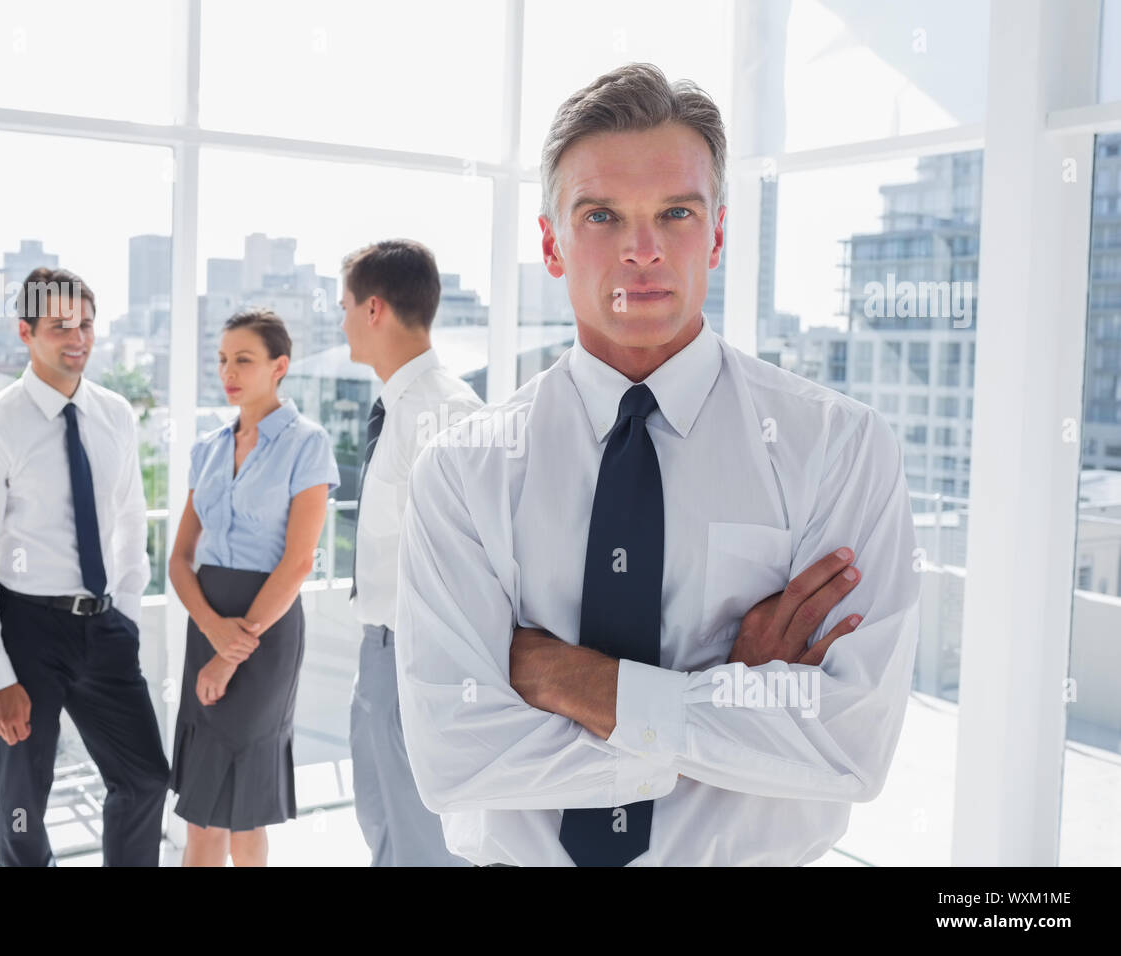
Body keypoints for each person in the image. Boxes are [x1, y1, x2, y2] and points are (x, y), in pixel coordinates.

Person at [394, 63, 922, 866]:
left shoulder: (839, 449)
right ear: (553, 244)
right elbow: (458, 757)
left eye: (675, 212)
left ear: (715, 232)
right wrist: (730, 701)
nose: (643, 251)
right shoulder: (464, 471)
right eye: (602, 215)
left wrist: (569, 679)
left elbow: (846, 745)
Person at [0, 267, 169, 866]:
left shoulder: (115, 414)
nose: (77, 338)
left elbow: (130, 520)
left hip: (103, 628)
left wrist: (123, 614)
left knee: (146, 778)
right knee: (23, 807)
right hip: (27, 630)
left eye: (87, 325)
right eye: (59, 326)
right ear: (26, 331)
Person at [168, 308, 339, 867]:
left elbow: (297, 563)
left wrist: (232, 650)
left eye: (243, 359)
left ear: (279, 366)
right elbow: (179, 560)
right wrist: (213, 632)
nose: (229, 371)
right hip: (209, 619)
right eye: (222, 360)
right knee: (200, 813)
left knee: (244, 813)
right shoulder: (208, 447)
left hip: (265, 629)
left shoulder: (306, 444)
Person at [339, 239, 482, 866]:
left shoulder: (447, 414)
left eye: (345, 306)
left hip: (417, 654)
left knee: (424, 841)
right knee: (384, 825)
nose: (341, 320)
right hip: (380, 648)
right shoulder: (397, 408)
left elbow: (468, 563)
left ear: (374, 310)